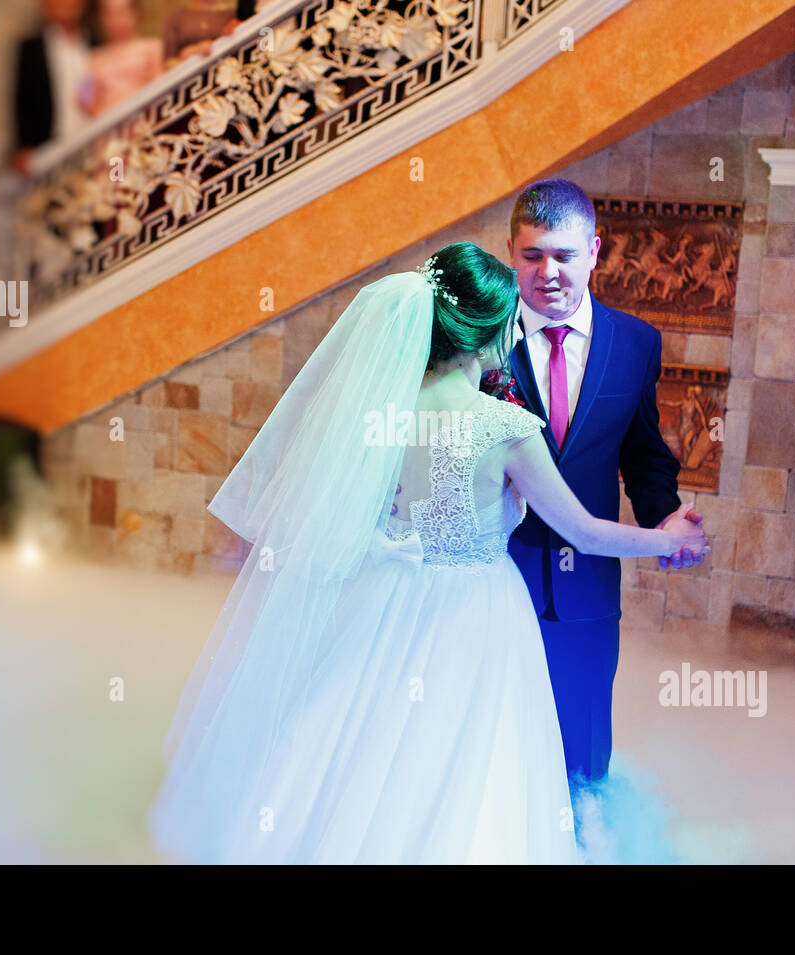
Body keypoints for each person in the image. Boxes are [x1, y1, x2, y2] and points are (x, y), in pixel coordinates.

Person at [148, 242, 707, 863]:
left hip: (387, 596)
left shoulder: (382, 412)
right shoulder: (504, 427)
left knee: (365, 748)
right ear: (492, 333)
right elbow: (585, 532)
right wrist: (669, 539)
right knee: (466, 760)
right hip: (476, 611)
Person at [504, 179, 708, 790]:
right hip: (491, 578)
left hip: (588, 586)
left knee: (583, 748)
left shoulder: (636, 343)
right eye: (532, 255)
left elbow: (644, 454)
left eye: (564, 256)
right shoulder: (481, 342)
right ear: (511, 252)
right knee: (491, 740)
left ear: (595, 250)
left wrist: (665, 520)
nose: (548, 273)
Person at [13, 0, 93, 172]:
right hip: (48, 147)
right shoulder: (31, 48)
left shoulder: (94, 44)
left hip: (90, 144)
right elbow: (22, 100)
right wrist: (23, 145)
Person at [82, 0, 163, 116]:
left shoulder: (152, 48)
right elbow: (85, 99)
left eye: (122, 12)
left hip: (145, 120)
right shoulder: (95, 58)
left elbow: (159, 87)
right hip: (110, 125)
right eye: (109, 13)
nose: (116, 20)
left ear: (136, 14)